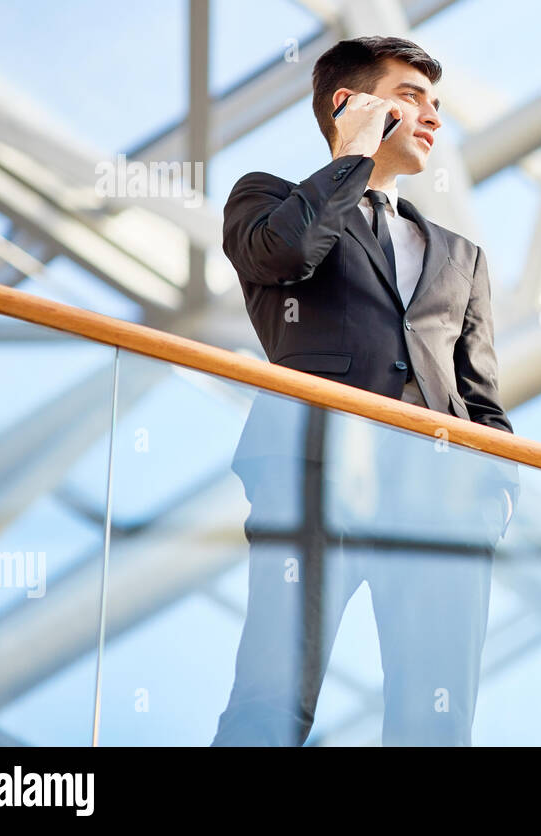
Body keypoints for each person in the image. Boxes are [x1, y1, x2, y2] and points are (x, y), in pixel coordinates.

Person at [213, 36, 519, 746]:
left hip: (443, 501)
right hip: (316, 475)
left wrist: (497, 483)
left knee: (437, 722)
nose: (433, 116)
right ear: (350, 102)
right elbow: (285, 256)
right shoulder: (269, 200)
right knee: (273, 695)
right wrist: (352, 157)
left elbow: (480, 393)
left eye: (437, 103)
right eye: (412, 96)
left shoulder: (461, 256)